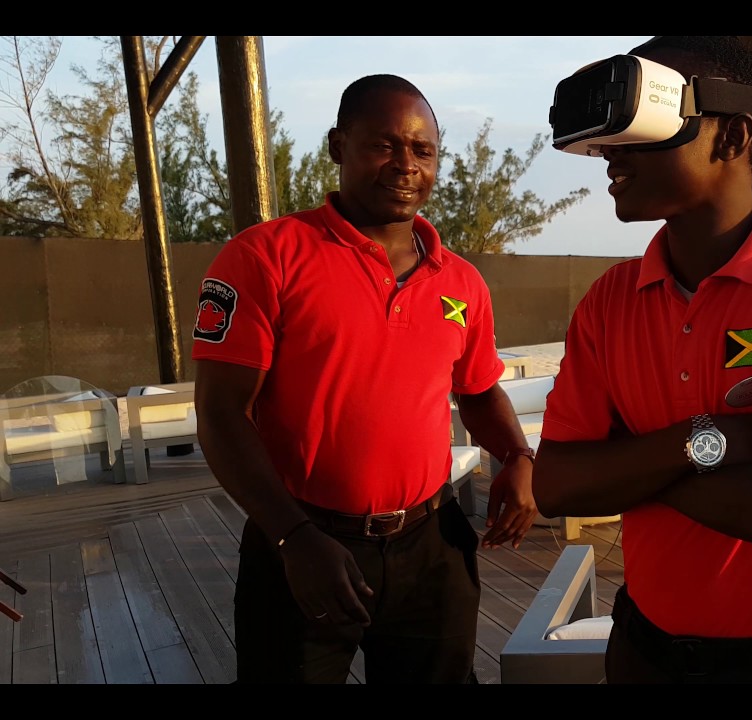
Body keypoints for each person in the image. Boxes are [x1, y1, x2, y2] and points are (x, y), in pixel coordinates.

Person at [533, 36, 752, 684]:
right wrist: (707, 441)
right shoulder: (608, 302)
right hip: (640, 648)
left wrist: (629, 471)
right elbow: (557, 487)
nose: (612, 157)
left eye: (639, 131)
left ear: (731, 136)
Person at [192, 73, 538, 684]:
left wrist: (516, 454)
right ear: (337, 146)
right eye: (383, 144)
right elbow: (221, 415)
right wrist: (293, 538)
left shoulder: (460, 282)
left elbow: (479, 389)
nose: (405, 165)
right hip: (301, 542)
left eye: (422, 150)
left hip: (432, 546)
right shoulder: (264, 256)